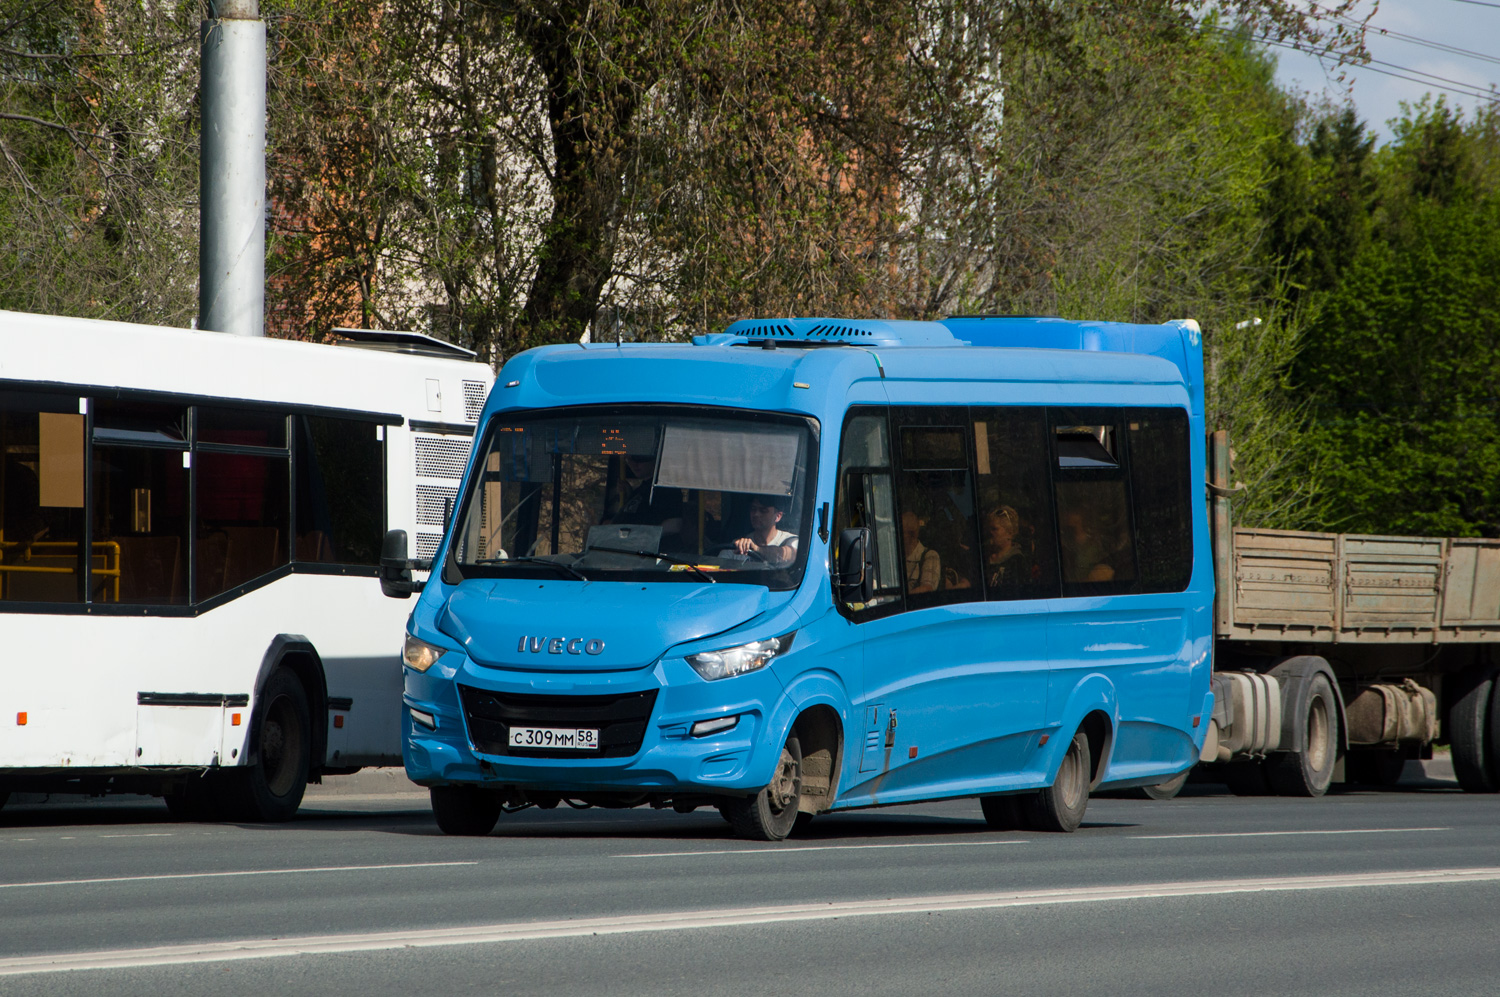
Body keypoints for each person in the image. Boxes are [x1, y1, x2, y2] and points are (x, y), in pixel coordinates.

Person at [605, 453, 684, 535]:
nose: (633, 464)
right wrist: (628, 494)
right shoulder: (641, 489)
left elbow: (675, 524)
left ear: (655, 460)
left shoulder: (666, 489)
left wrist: (644, 538)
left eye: (640, 459)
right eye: (628, 460)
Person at [732, 495, 798, 564]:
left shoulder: (791, 540)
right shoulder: (738, 545)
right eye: (753, 509)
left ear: (778, 516)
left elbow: (791, 554)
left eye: (763, 510)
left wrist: (757, 549)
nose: (756, 514)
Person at [982, 505, 1033, 590]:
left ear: (1009, 532)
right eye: (989, 529)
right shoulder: (984, 558)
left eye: (994, 529)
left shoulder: (1017, 563)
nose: (990, 533)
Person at [902, 509, 941, 594]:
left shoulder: (930, 556)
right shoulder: (893, 557)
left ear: (912, 535)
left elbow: (927, 588)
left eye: (902, 533)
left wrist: (900, 598)